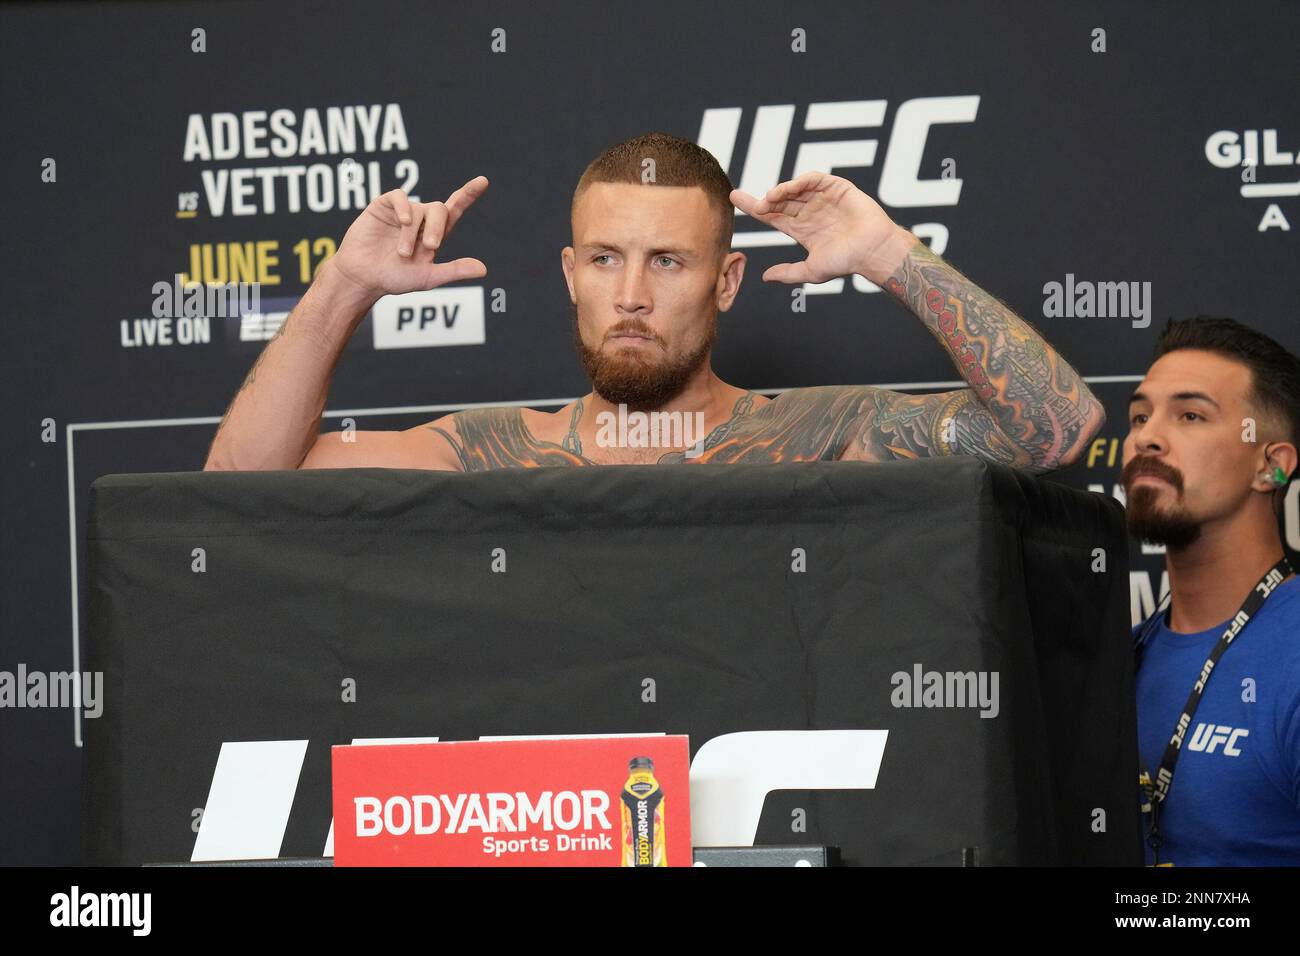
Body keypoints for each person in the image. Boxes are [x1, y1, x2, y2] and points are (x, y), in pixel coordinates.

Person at [204, 132, 1103, 472]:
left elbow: (1054, 431)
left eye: (668, 262)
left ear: (727, 281)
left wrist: (894, 255)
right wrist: (342, 288)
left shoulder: (817, 439)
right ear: (568, 273)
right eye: (604, 259)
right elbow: (235, 494)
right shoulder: (490, 453)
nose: (630, 295)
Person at [1123, 316, 1300, 865]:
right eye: (1139, 416)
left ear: (1270, 468)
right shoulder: (1120, 655)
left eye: (1191, 415)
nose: (1146, 436)